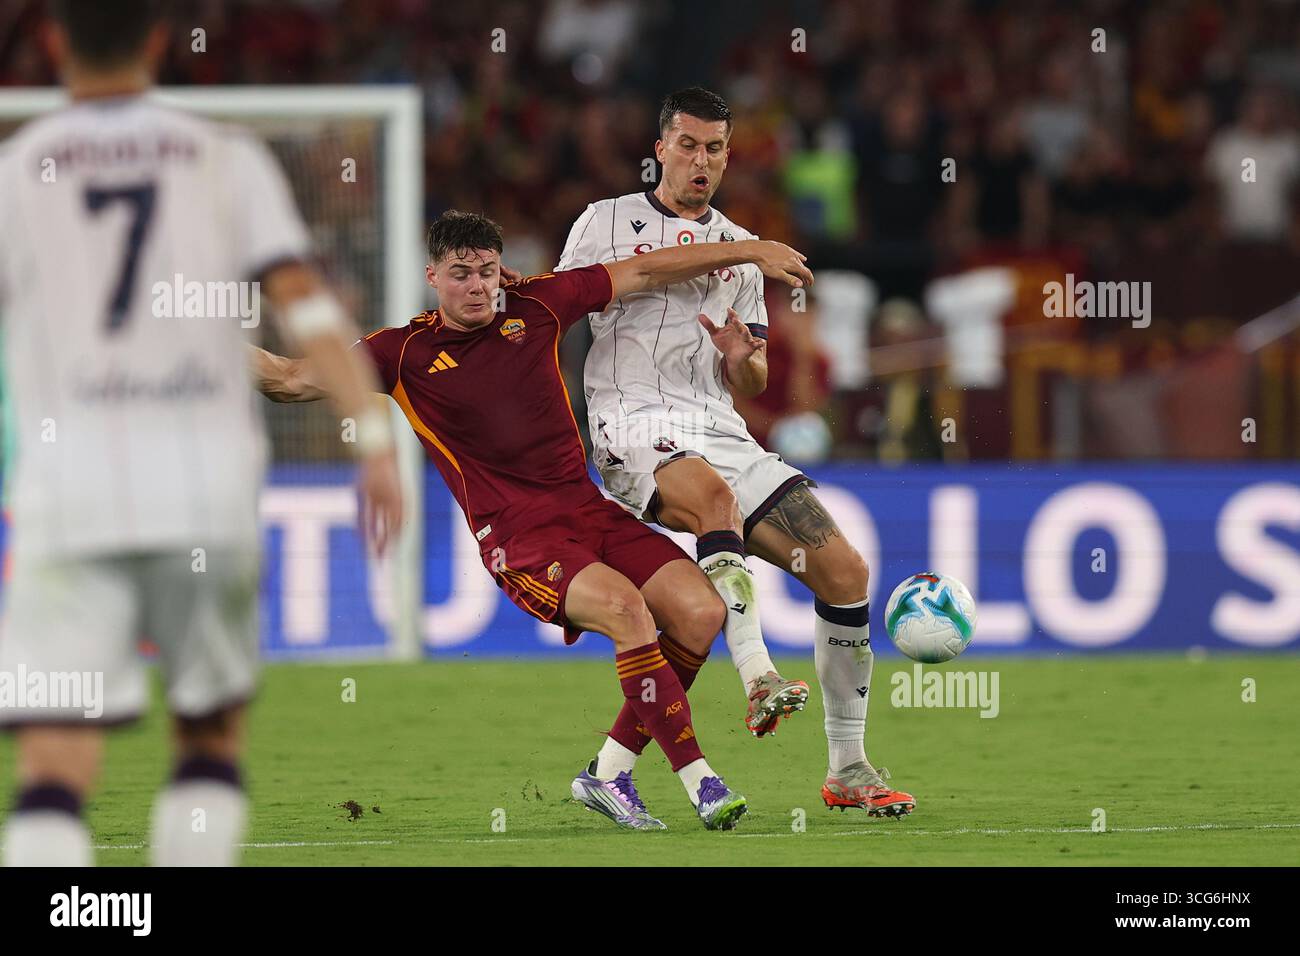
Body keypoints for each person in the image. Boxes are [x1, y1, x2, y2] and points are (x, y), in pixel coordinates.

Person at [0, 0, 403, 866]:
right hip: (205, 489)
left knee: (54, 760)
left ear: (51, 43)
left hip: (69, 492)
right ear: (155, 42)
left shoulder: (17, 169)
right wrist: (371, 439)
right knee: (208, 734)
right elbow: (310, 309)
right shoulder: (225, 157)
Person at [254, 209, 813, 830]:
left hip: (588, 509)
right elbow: (287, 378)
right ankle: (702, 782)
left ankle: (606, 775)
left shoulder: (539, 304)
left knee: (702, 611)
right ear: (432, 276)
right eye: (461, 274)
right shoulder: (399, 353)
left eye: (487, 272)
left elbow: (647, 267)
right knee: (628, 610)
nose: (477, 287)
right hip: (518, 539)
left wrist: (750, 249)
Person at [557, 87, 915, 816]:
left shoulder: (744, 258)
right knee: (713, 502)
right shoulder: (605, 223)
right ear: (659, 147)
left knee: (844, 572)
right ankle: (757, 673)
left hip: (715, 425)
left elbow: (747, 377)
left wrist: (741, 356)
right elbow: (586, 301)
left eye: (714, 149)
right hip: (630, 420)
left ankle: (848, 770)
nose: (700, 161)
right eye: (687, 145)